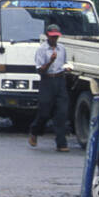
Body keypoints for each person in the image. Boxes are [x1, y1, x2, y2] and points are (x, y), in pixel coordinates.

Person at [28, 23, 70, 153]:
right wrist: (50, 61)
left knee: (61, 112)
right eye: (52, 37)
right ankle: (35, 131)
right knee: (44, 111)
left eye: (56, 37)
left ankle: (61, 142)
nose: (54, 39)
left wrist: (66, 69)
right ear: (47, 36)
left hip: (59, 80)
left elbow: (63, 64)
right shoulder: (42, 49)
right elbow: (40, 70)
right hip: (47, 81)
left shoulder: (62, 49)